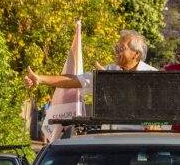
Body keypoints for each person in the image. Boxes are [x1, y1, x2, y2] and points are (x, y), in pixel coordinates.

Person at [24, 29, 157, 130]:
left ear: (136, 54)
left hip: (145, 140)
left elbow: (162, 112)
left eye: (121, 48)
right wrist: (40, 79)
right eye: (116, 47)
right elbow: (74, 80)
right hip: (114, 140)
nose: (116, 51)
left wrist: (156, 124)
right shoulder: (108, 71)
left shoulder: (154, 76)